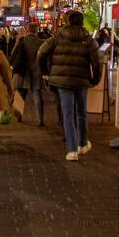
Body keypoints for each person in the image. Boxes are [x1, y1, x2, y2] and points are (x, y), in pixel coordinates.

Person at [38, 10, 102, 162]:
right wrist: (95, 79)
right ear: (81, 21)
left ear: (67, 21)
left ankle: (72, 150)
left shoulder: (58, 36)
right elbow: (97, 62)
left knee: (67, 114)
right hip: (81, 80)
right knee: (81, 112)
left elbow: (41, 53)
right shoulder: (88, 39)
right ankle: (82, 144)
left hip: (62, 81)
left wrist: (45, 72)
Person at [10, 24, 48, 125]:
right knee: (37, 96)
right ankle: (40, 119)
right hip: (36, 71)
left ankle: (18, 116)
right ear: (36, 30)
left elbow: (13, 54)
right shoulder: (41, 42)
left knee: (21, 96)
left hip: (22, 72)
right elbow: (44, 57)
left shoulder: (22, 41)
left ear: (27, 30)